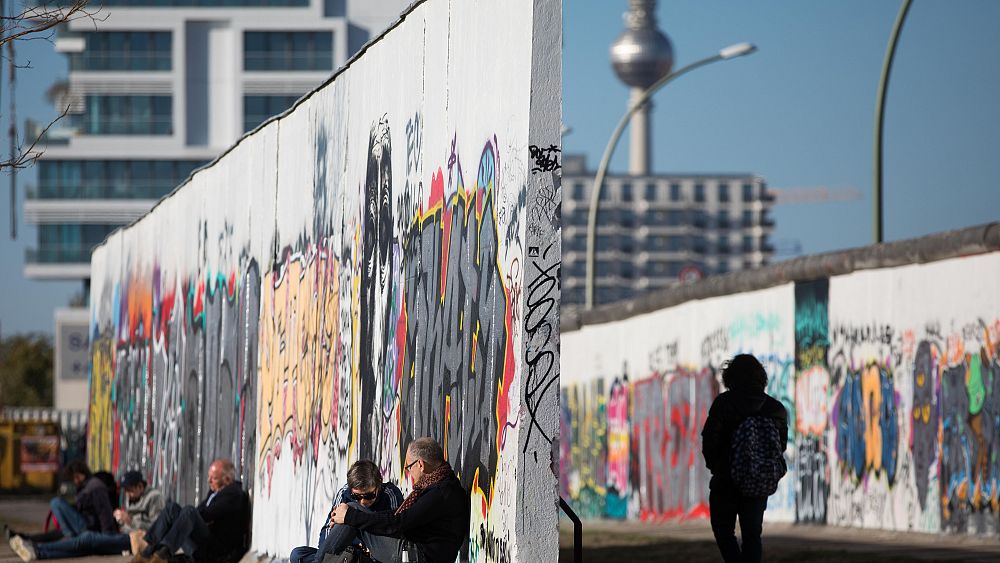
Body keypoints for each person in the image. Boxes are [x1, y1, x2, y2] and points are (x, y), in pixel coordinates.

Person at [323, 437, 470, 563]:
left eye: (409, 467)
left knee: (352, 510)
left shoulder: (441, 493)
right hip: (414, 553)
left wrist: (349, 516)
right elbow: (396, 517)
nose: (409, 473)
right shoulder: (441, 486)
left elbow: (398, 523)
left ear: (420, 464)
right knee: (300, 553)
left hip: (416, 557)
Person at [701, 354, 789, 563]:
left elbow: (710, 441)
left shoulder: (723, 403)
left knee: (723, 531)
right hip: (758, 481)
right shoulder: (775, 409)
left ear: (731, 377)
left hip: (726, 481)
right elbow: (780, 447)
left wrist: (720, 467)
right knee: (752, 536)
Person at [9, 470, 164, 561]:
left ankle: (37, 548)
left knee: (87, 539)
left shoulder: (154, 497)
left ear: (140, 486)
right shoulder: (133, 498)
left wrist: (128, 520)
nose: (128, 494)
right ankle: (39, 553)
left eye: (131, 490)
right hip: (122, 535)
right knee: (82, 547)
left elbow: (156, 529)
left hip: (132, 540)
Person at [130, 458, 250, 563]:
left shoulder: (233, 494)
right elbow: (200, 512)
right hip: (203, 546)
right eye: (208, 477)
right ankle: (146, 552)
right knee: (172, 509)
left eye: (214, 478)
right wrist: (185, 520)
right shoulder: (214, 492)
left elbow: (206, 514)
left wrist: (187, 519)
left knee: (189, 512)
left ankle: (162, 553)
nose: (209, 481)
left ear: (227, 480)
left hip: (215, 552)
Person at [289, 460, 404, 563]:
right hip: (351, 553)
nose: (363, 502)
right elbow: (328, 532)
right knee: (297, 554)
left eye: (369, 496)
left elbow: (395, 531)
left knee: (351, 509)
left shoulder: (390, 494)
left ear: (379, 485)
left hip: (377, 556)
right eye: (357, 496)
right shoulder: (345, 493)